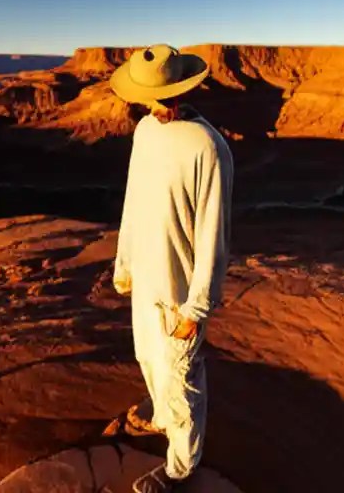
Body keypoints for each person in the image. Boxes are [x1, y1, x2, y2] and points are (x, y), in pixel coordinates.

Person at [109, 44, 234, 493]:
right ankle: (163, 420)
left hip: (179, 293)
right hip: (146, 279)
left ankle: (180, 468)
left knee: (181, 380)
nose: (152, 105)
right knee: (148, 360)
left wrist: (196, 309)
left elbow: (213, 236)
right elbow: (134, 198)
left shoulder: (209, 147)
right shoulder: (145, 130)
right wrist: (125, 262)